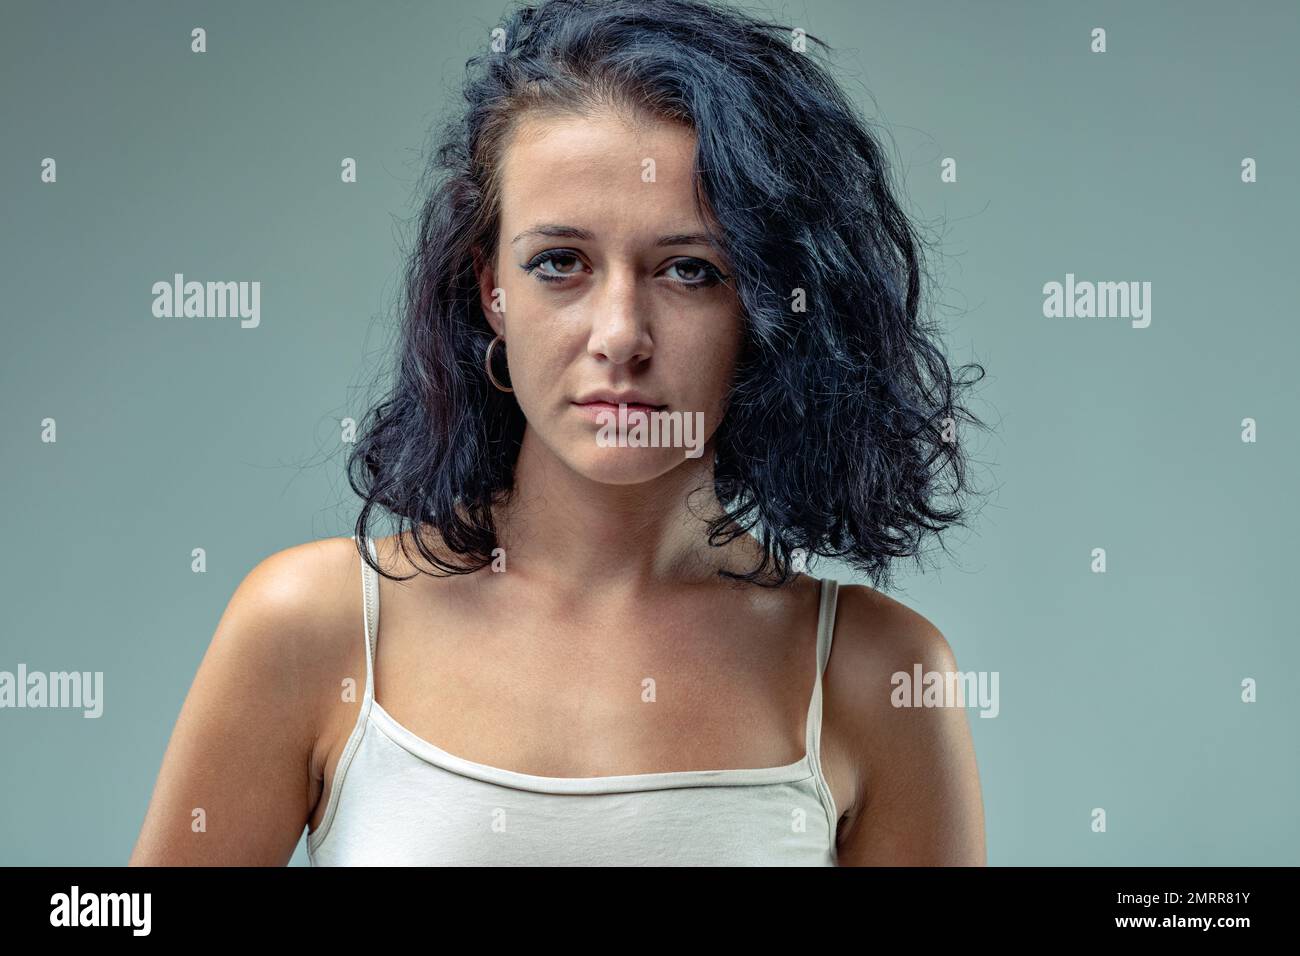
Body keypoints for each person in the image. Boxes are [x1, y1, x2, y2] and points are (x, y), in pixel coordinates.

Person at [131, 0, 988, 866]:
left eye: (690, 271)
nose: (619, 334)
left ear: (770, 305)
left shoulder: (880, 673)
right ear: (489, 289)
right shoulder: (313, 628)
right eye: (559, 264)